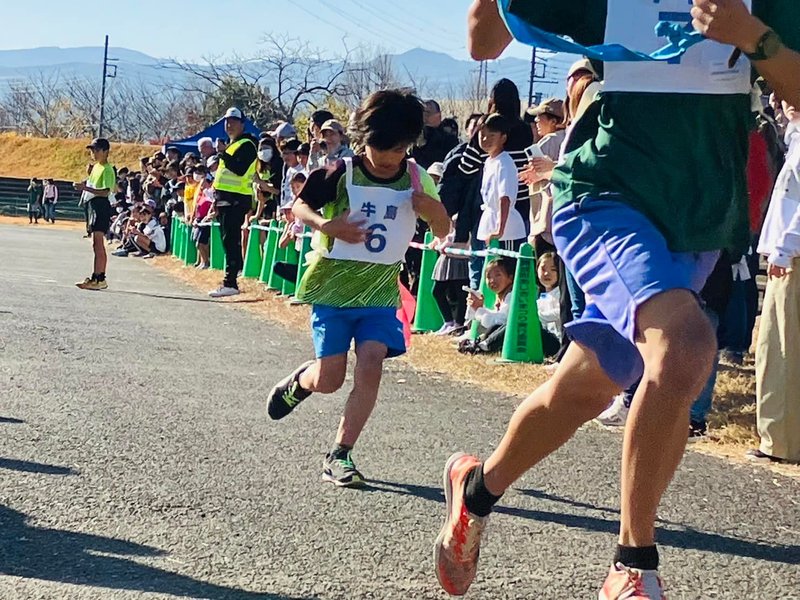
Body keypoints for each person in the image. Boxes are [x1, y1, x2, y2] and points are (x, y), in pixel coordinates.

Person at [434, 2, 800, 599]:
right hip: (604, 196)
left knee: (587, 387)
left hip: (698, 217)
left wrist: (751, 37)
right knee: (683, 348)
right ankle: (633, 565)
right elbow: (484, 41)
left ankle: (474, 491)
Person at [265, 89, 450, 488]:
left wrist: (433, 211)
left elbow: (443, 229)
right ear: (363, 139)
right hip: (333, 289)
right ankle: (302, 381)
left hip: (381, 294)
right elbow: (299, 207)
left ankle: (340, 454)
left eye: (399, 149)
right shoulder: (340, 173)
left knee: (371, 365)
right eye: (382, 148)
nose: (389, 158)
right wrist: (326, 225)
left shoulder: (416, 178)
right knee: (330, 379)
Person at [750, 98, 800, 465]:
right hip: (787, 254)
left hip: (792, 259)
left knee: (780, 349)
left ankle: (780, 442)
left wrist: (785, 249)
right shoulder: (795, 138)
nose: (782, 101)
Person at [208, 107, 258, 298]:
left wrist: (223, 154)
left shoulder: (247, 144)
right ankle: (230, 278)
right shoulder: (232, 144)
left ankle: (231, 282)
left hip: (236, 199)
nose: (229, 125)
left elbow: (239, 169)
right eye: (227, 122)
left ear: (242, 125)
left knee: (231, 240)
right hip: (225, 199)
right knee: (227, 240)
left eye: (234, 122)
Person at [477, 114, 526, 250]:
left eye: (492, 136)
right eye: (482, 135)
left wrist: (500, 230)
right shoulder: (489, 161)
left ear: (503, 138)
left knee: (503, 270)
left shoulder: (504, 162)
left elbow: (505, 198)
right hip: (489, 224)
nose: (486, 139)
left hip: (507, 232)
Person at [73, 138, 115, 290]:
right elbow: (93, 183)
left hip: (101, 206)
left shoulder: (108, 169)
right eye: (92, 150)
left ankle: (99, 277)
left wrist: (85, 188)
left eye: (96, 150)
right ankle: (97, 276)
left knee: (98, 243)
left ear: (105, 152)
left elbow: (105, 191)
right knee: (95, 243)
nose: (93, 153)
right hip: (93, 205)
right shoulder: (96, 167)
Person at [459, 257, 515, 354]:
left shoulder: (511, 296)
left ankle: (483, 346)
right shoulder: (501, 296)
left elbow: (500, 321)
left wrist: (479, 309)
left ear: (510, 278)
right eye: (488, 277)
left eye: (498, 275)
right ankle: (478, 342)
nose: (492, 280)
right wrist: (477, 307)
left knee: (498, 327)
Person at [431, 219, 470, 336]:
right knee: (437, 291)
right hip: (446, 259)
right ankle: (448, 321)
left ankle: (459, 324)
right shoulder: (448, 213)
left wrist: (445, 244)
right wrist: (437, 241)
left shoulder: (463, 213)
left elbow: (462, 236)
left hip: (460, 258)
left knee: (461, 294)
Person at [411, 100, 459, 169]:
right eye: (422, 113)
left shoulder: (449, 139)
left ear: (439, 115)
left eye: (427, 113)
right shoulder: (415, 135)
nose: (424, 117)